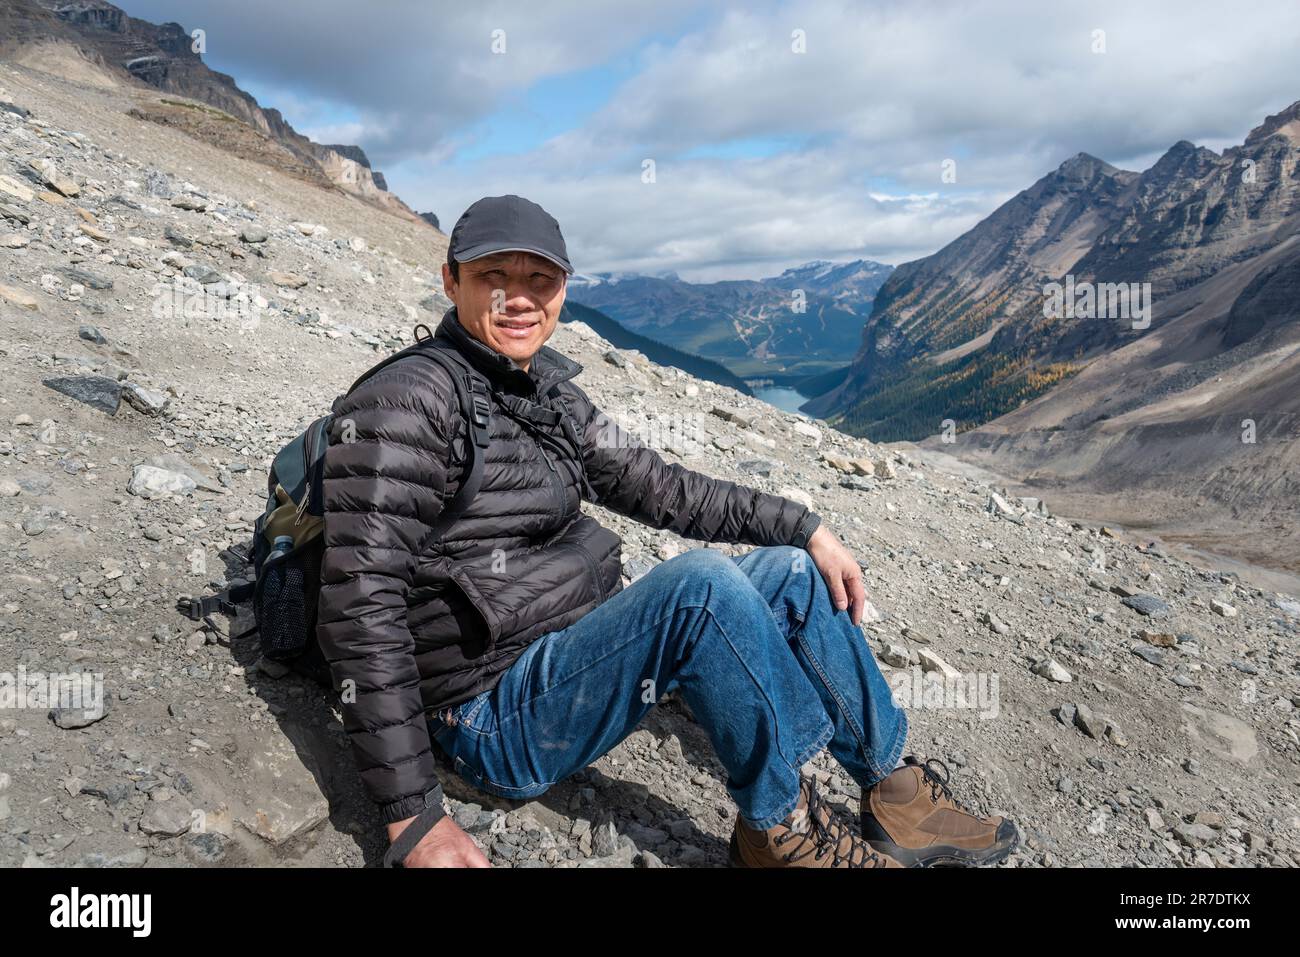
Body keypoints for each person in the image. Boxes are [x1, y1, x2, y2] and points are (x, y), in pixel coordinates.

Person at [317, 194, 1018, 868]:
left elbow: (662, 488)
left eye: (540, 279)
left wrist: (804, 526)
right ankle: (779, 829)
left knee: (793, 572)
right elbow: (358, 602)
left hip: (558, 647)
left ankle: (896, 794)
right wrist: (413, 815)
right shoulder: (409, 401)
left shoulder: (543, 392)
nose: (518, 297)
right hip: (486, 714)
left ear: (563, 289)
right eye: (493, 276)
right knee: (701, 588)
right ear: (450, 280)